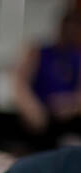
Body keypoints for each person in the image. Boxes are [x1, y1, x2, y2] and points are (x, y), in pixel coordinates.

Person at [14, 10, 81, 144]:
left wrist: (72, 105)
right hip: (39, 116)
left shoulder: (77, 56)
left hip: (68, 119)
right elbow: (20, 82)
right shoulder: (39, 51)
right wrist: (31, 107)